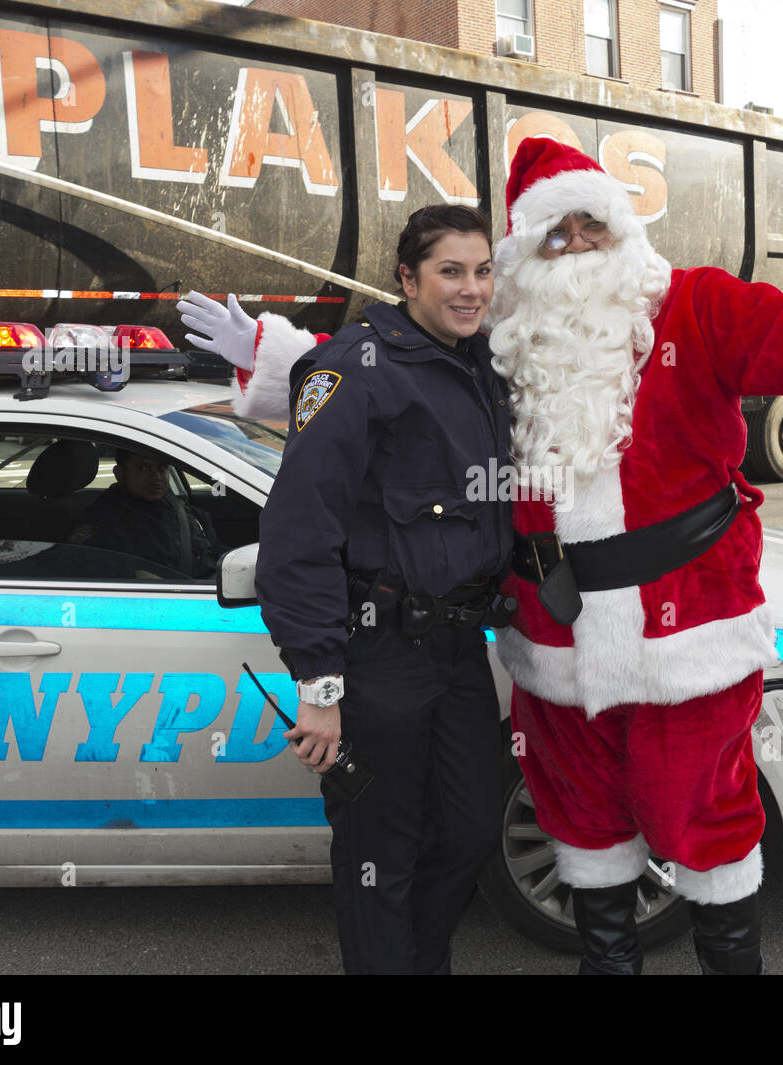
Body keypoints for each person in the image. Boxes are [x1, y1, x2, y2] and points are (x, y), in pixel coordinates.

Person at [193, 139, 783, 975]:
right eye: (556, 231)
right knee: (578, 828)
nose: (577, 245)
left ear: (625, 230)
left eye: (593, 224)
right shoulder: (510, 336)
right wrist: (285, 367)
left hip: (687, 638)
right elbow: (392, 383)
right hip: (554, 650)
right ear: (527, 253)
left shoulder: (693, 307)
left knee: (709, 825)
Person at [177, 205, 512, 974]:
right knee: (378, 856)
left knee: (466, 834)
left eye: (483, 270)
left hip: (459, 650)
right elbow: (300, 532)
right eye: (451, 272)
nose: (472, 289)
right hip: (376, 659)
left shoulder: (481, 363)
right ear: (407, 277)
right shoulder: (357, 367)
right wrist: (319, 682)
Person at [69, 448, 222, 578]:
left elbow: (211, 548)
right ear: (120, 474)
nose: (156, 477)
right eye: (143, 468)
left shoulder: (178, 506)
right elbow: (78, 562)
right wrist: (132, 574)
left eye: (162, 468)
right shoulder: (105, 518)